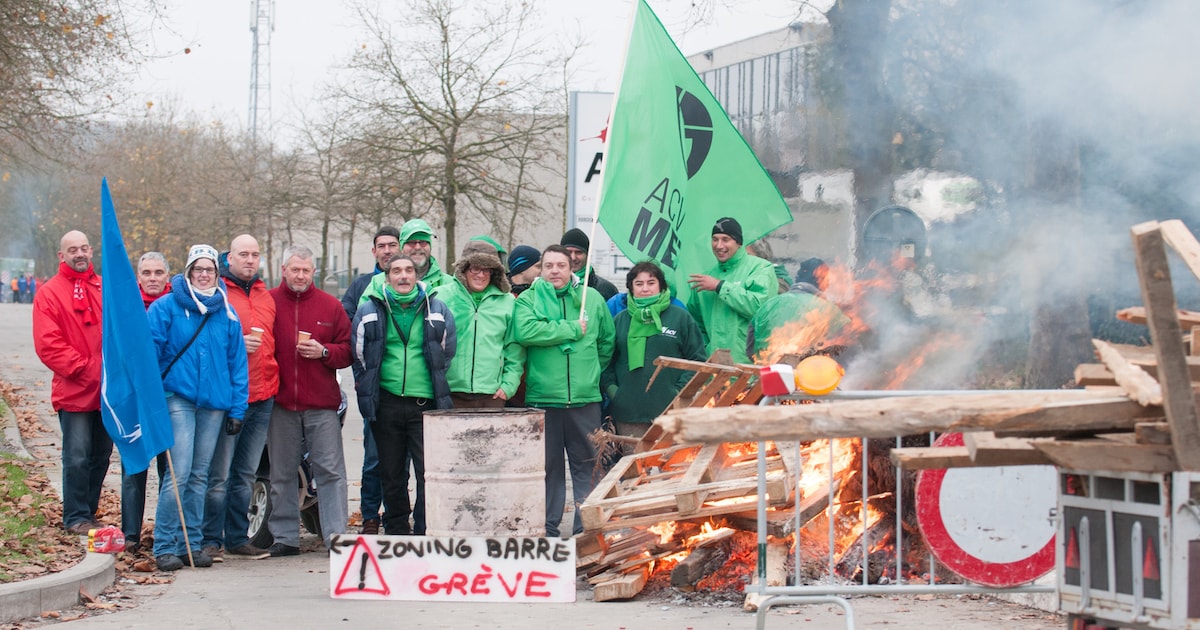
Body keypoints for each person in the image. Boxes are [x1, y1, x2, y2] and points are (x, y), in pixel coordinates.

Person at [146, 244, 248, 571]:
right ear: (188, 271)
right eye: (198, 269)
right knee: (180, 473)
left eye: (210, 270)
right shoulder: (166, 308)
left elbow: (237, 364)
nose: (204, 275)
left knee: (200, 476)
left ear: (218, 275)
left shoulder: (227, 313)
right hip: (178, 398)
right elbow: (150, 354)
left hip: (215, 403)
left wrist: (237, 409)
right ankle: (165, 544)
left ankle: (191, 543)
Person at [513, 244, 614, 537]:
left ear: (572, 269)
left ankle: (587, 530)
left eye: (561, 265)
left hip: (584, 400)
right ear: (541, 270)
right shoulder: (528, 300)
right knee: (548, 469)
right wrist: (571, 329)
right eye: (549, 266)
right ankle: (548, 528)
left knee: (588, 467)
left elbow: (606, 343)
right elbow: (527, 332)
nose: (555, 271)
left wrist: (590, 372)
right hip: (544, 399)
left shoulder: (591, 299)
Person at [351, 255, 455, 535]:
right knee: (392, 473)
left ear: (417, 276)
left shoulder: (437, 309)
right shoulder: (370, 309)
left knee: (427, 474)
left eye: (409, 270)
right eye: (396, 271)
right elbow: (360, 356)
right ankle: (397, 529)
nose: (403, 276)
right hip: (387, 403)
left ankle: (423, 529)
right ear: (387, 278)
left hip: (426, 406)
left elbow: (446, 353)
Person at [266, 245, 352, 556]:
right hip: (281, 402)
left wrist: (325, 352)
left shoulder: (331, 306)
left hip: (321, 404)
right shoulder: (269, 303)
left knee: (330, 471)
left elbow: (348, 351)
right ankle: (285, 537)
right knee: (283, 472)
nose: (300, 275)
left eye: (305, 270)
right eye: (294, 269)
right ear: (283, 270)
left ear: (313, 272)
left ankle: (336, 537)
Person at [201, 235, 279, 560]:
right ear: (228, 258)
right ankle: (209, 539)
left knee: (246, 472)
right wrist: (235, 343)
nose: (249, 260)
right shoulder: (217, 293)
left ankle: (237, 537)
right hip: (229, 396)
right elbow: (203, 342)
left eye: (255, 254)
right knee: (218, 473)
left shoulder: (265, 295)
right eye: (243, 254)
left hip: (264, 394)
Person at [32, 230, 110, 535]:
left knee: (100, 457)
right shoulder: (49, 293)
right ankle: (75, 515)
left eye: (83, 249)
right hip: (74, 388)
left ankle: (88, 512)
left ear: (91, 252)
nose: (79, 254)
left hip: (106, 392)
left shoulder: (104, 288)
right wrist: (87, 369)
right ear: (61, 256)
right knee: (77, 456)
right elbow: (48, 344)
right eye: (72, 250)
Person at [341, 226, 401, 536]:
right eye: (382, 246)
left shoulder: (412, 285)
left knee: (402, 462)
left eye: (393, 244)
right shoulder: (361, 286)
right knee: (374, 456)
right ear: (374, 251)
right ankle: (369, 515)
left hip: (407, 390)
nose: (388, 250)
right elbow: (349, 331)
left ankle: (397, 517)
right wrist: (363, 376)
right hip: (374, 389)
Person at [602, 261, 706, 438]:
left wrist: (679, 391)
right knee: (634, 464)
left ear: (661, 286)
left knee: (672, 464)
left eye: (651, 283)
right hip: (629, 414)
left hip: (672, 412)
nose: (645, 289)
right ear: (631, 288)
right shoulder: (620, 320)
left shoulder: (679, 317)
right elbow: (605, 361)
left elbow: (698, 359)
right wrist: (615, 392)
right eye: (639, 284)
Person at [120, 251, 172, 552]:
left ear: (167, 275)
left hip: (168, 400)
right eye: (147, 273)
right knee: (134, 469)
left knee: (170, 471)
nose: (153, 278)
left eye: (158, 273)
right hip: (135, 401)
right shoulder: (127, 307)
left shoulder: (176, 306)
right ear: (138, 277)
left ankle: (168, 532)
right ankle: (130, 535)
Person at [686, 217, 777, 365]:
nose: (719, 245)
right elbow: (695, 324)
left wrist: (720, 286)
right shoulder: (705, 278)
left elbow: (760, 310)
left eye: (725, 239)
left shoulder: (761, 269)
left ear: (739, 243)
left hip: (749, 368)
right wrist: (705, 350)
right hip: (713, 369)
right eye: (715, 239)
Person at [440, 247, 522, 408]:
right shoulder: (441, 297)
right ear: (464, 268)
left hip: (492, 395)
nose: (481, 275)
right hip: (450, 393)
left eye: (487, 270)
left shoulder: (508, 302)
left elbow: (514, 348)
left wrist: (508, 385)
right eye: (475, 268)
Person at [747, 257, 851, 364]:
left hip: (764, 376)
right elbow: (848, 349)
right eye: (827, 280)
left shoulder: (767, 305)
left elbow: (750, 350)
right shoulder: (829, 309)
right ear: (820, 280)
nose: (828, 285)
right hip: (806, 377)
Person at [560, 228, 618, 301]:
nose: (573, 257)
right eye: (568, 252)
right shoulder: (552, 285)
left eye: (578, 252)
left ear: (587, 255)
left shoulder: (606, 289)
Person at [399, 218, 448, 290]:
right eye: (412, 242)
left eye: (423, 242)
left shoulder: (449, 284)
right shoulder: (380, 283)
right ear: (401, 247)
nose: (418, 247)